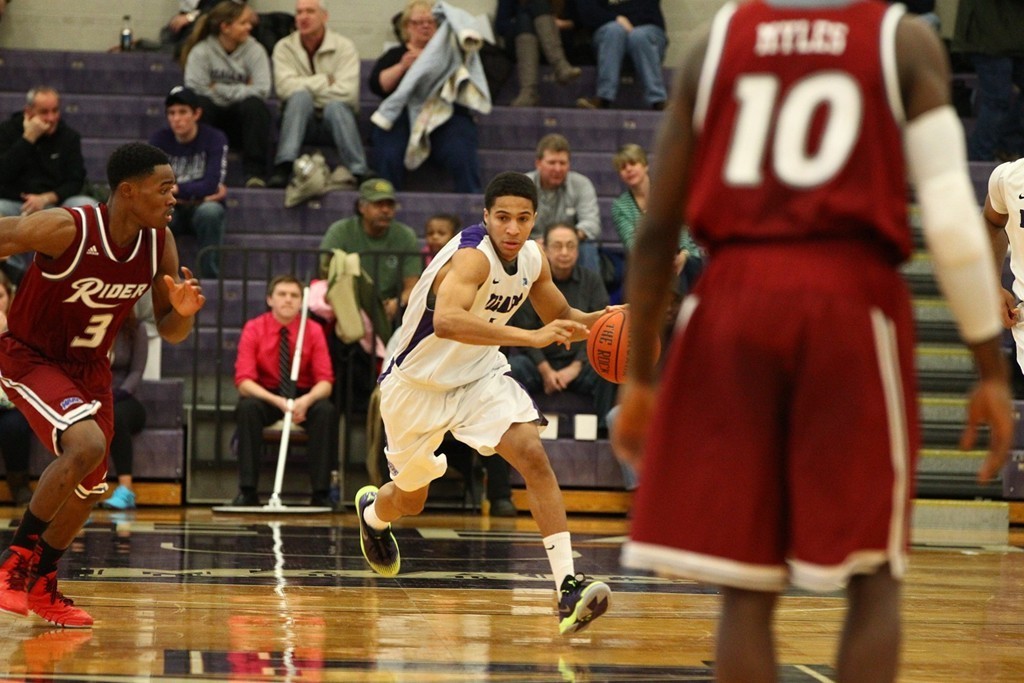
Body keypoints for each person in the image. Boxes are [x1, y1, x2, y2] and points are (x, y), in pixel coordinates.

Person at [613, 3, 1013, 682]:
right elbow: (948, 218)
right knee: (876, 574)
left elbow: (657, 231)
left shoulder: (716, 43)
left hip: (731, 299)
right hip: (847, 300)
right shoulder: (905, 42)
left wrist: (641, 378)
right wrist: (988, 365)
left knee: (746, 584)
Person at [356, 171, 612, 635]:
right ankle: (373, 515)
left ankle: (567, 588)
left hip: (478, 375)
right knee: (410, 501)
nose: (512, 229)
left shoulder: (533, 258)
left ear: (535, 219)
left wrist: (604, 320)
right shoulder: (472, 258)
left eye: (522, 219)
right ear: (486, 217)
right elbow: (449, 322)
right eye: (502, 218)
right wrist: (531, 337)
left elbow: (564, 316)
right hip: (417, 386)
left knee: (533, 455)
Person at [0, 141, 206, 628]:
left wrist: (182, 315)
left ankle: (44, 584)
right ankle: (13, 564)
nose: (174, 196)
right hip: (32, 358)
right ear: (129, 192)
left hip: (91, 369)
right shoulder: (67, 227)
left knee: (92, 488)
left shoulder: (161, 243)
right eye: (165, 188)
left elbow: (170, 330)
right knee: (86, 443)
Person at [231, 274, 336, 507]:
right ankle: (247, 490)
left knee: (326, 411)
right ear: (270, 299)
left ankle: (321, 493)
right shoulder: (254, 328)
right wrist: (278, 401)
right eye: (282, 294)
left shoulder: (313, 330)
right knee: (247, 408)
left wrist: (305, 401)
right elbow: (244, 381)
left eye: (294, 295)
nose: (288, 300)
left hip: (303, 395)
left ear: (301, 302)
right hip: (268, 395)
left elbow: (325, 382)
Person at [368, 0, 484, 194]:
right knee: (388, 151)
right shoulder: (396, 54)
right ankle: (385, 202)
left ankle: (472, 205)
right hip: (403, 118)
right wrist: (402, 67)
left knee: (461, 149)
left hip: (444, 115)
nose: (425, 26)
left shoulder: (452, 53)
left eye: (431, 22)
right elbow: (377, 85)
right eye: (418, 22)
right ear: (407, 27)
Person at [508, 223, 616, 431]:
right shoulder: (530, 281)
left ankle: (604, 435)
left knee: (609, 368)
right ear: (545, 249)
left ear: (578, 250)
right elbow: (526, 332)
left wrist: (575, 368)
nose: (564, 252)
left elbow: (601, 330)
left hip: (581, 363)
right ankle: (513, 432)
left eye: (570, 246)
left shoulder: (592, 280)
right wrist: (546, 370)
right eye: (557, 246)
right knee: (512, 368)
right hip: (539, 364)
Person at [0, 86, 97, 283]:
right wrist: (28, 139)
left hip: (55, 202)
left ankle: (82, 273)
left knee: (89, 207)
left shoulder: (69, 137)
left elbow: (76, 181)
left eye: (55, 111)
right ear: (29, 112)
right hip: (17, 203)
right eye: (44, 112)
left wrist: (46, 198)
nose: (51, 118)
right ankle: (14, 280)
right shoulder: (7, 131)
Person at [269, 0, 370, 189]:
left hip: (334, 124)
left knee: (336, 106)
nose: (303, 17)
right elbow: (283, 89)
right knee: (300, 98)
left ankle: (359, 171)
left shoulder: (344, 47)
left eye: (310, 12)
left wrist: (304, 86)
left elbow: (348, 94)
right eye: (299, 12)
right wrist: (324, 81)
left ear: (325, 17)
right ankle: (284, 165)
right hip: (297, 122)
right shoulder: (284, 47)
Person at [181, 0, 273, 188]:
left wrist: (218, 88)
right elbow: (194, 88)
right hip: (212, 120)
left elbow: (262, 89)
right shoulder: (201, 52)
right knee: (199, 104)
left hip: (240, 124)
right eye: (243, 23)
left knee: (255, 106)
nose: (250, 27)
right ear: (225, 27)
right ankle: (200, 171)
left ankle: (254, 173)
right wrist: (244, 88)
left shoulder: (255, 51)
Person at [149, 85, 229, 279]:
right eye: (172, 113)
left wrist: (176, 188)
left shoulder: (214, 139)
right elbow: (151, 184)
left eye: (183, 112)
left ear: (196, 113)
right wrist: (192, 191)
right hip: (171, 207)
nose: (176, 118)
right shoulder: (159, 140)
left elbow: (211, 183)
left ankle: (210, 278)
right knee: (153, 217)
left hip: (202, 208)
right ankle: (159, 278)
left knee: (210, 212)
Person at [318, 178, 422, 325]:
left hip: (391, 310)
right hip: (348, 306)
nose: (385, 210)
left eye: (390, 205)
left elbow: (412, 285)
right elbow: (326, 275)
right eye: (378, 204)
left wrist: (397, 302)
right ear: (362, 207)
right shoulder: (340, 231)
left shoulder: (405, 235)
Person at [611, 142, 703, 297]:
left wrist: (684, 254)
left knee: (687, 266)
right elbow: (632, 244)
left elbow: (682, 232)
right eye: (622, 167)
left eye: (633, 163)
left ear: (645, 165)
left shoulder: (667, 192)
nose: (628, 169)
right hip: (647, 262)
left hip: (683, 256)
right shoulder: (620, 206)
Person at [950, 1, 1024, 162]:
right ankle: (979, 157)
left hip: (1008, 34)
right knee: (997, 101)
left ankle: (1007, 146)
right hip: (988, 34)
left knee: (997, 101)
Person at [525, 133, 603, 276]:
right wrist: (534, 244)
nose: (558, 169)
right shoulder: (524, 184)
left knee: (587, 250)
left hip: (567, 244)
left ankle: (592, 297)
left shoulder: (581, 184)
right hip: (532, 244)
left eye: (562, 163)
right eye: (552, 162)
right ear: (538, 164)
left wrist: (561, 241)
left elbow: (591, 224)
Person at [573, 0, 668, 111]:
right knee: (614, 30)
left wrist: (629, 28)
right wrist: (616, 19)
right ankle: (604, 98)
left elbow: (647, 12)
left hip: (647, 31)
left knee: (638, 36)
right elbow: (588, 13)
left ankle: (659, 100)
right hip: (609, 34)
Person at [101, 308, 149, 511]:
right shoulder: (90, 326)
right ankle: (79, 494)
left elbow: (137, 371)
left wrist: (117, 394)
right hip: (94, 397)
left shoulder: (136, 328)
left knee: (116, 416)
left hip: (127, 399)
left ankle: (126, 489)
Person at [494, 0, 580, 107]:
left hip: (559, 37)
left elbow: (580, 21)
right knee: (526, 17)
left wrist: (560, 24)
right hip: (520, 42)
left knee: (537, 6)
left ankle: (529, 92)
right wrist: (526, 22)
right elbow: (501, 25)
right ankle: (560, 66)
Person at [0, 270, 32, 506]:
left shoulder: (22, 326)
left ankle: (18, 483)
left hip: (15, 401)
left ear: (10, 295)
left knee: (14, 426)